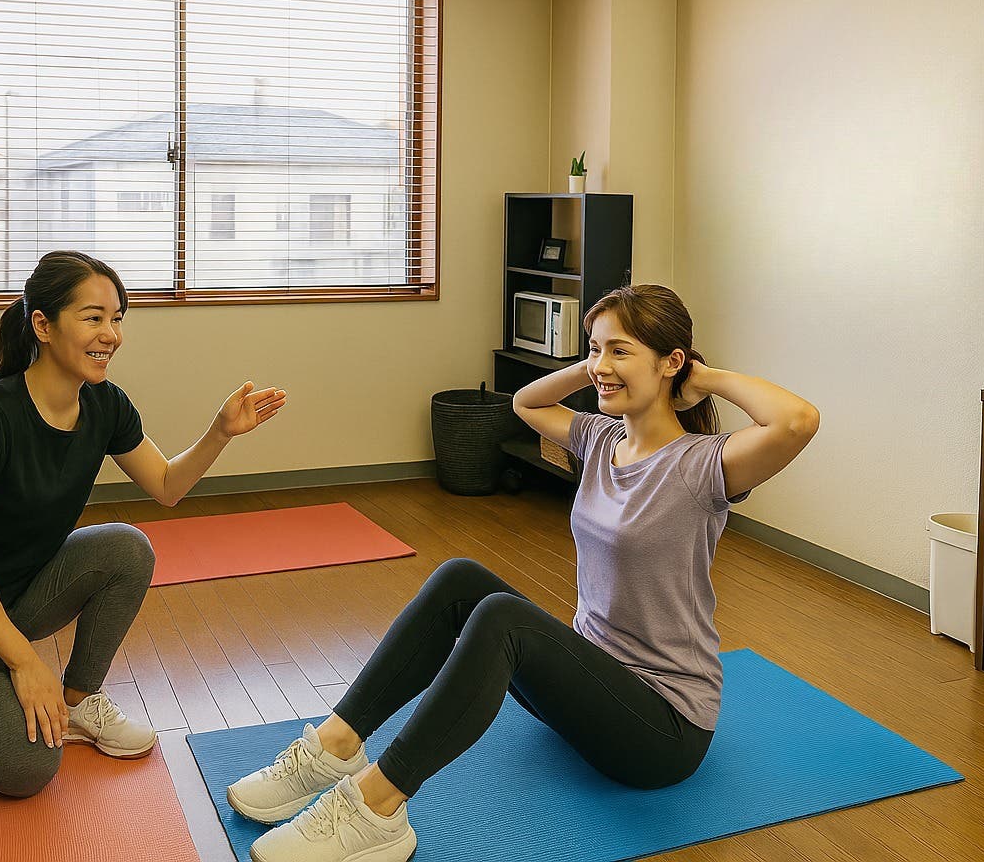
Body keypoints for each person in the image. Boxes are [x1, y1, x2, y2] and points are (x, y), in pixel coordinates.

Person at [226, 284, 819, 862]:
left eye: (620, 350)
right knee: (462, 579)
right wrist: (597, 369)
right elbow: (525, 402)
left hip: (663, 726)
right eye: (594, 348)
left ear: (671, 362)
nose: (601, 365)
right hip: (595, 679)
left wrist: (702, 378)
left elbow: (797, 421)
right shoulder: (599, 438)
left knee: (504, 619)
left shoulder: (704, 464)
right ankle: (336, 746)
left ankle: (376, 811)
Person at [0, 250, 287, 798]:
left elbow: (166, 487)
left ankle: (78, 702)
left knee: (128, 548)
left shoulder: (105, 405)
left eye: (117, 318)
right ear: (43, 326)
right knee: (25, 771)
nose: (111, 334)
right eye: (93, 318)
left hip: (15, 598)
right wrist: (25, 664)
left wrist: (219, 431)